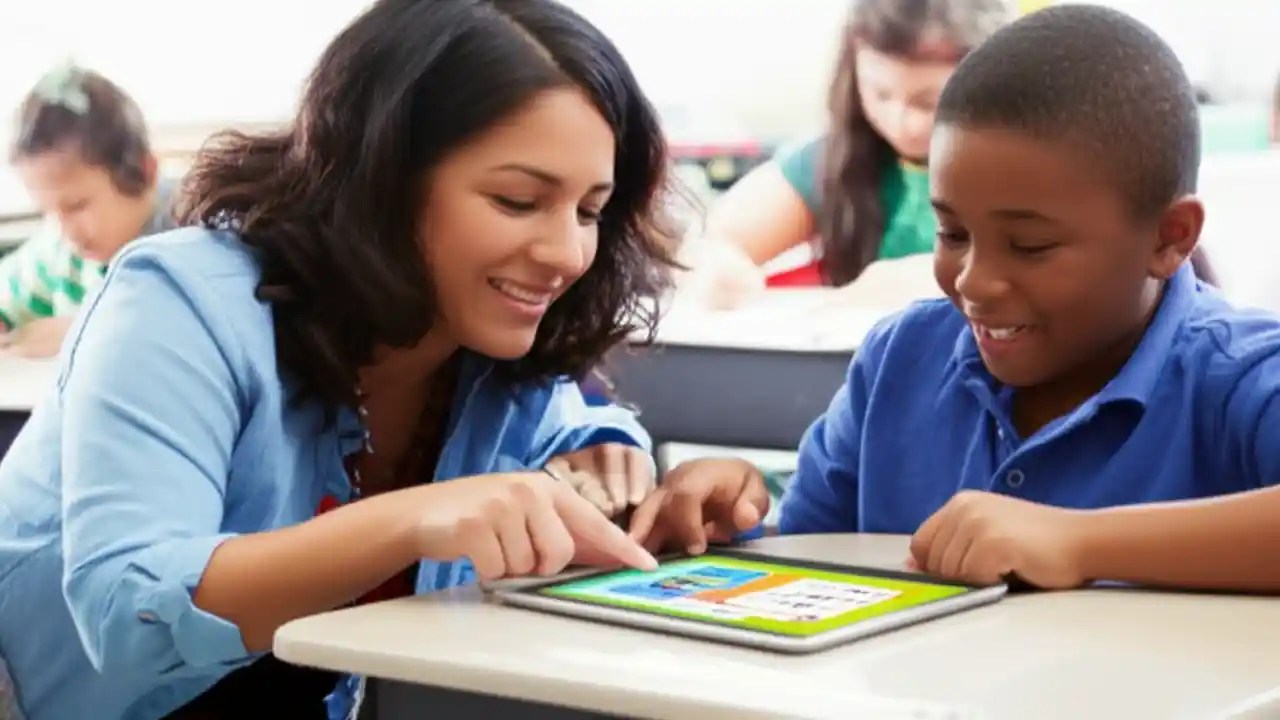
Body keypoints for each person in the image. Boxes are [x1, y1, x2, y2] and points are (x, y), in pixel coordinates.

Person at [0, 1, 676, 718]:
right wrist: (411, 518)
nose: (568, 254)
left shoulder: (489, 343)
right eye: (517, 200)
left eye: (589, 211)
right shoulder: (183, 299)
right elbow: (129, 613)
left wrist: (650, 481)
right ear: (383, 178)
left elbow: (574, 434)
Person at [633, 6, 1280, 594]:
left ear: (1169, 238)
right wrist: (732, 520)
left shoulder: (1239, 374)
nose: (973, 281)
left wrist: (1080, 543)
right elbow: (811, 557)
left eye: (1029, 246)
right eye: (953, 234)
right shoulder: (898, 363)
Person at [679, 0, 1013, 309]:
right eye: (881, 94)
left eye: (928, 102)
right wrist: (716, 270)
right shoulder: (836, 160)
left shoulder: (1028, 164)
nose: (902, 123)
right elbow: (711, 243)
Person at [2, 63, 176, 357]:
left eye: (77, 206)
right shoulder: (58, 253)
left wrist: (86, 331)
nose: (65, 231)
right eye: (48, 212)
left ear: (145, 172)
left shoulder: (191, 239)